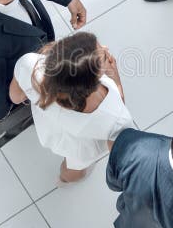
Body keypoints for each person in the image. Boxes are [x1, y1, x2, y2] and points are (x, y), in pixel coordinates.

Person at [10, 32, 133, 183]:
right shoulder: (118, 118)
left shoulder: (30, 63)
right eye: (102, 56)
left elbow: (15, 98)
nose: (106, 48)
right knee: (76, 172)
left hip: (50, 130)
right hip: (81, 147)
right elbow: (120, 150)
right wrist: (115, 77)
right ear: (89, 84)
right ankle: (63, 180)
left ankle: (63, 178)